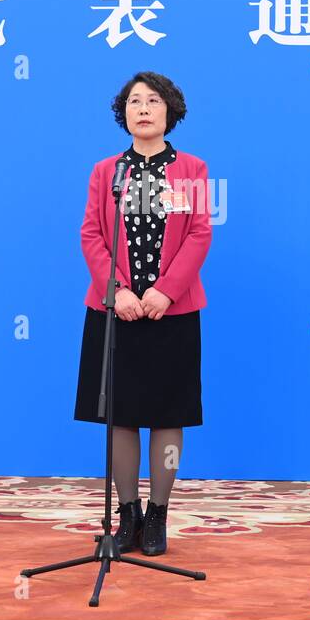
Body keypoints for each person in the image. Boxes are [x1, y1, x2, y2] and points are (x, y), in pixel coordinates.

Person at [74, 71, 212, 557]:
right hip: (118, 311)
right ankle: (127, 514)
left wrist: (166, 293)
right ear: (124, 113)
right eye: (135, 101)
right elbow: (92, 235)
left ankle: (158, 516)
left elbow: (199, 235)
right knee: (121, 415)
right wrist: (120, 292)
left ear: (170, 111)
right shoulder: (107, 172)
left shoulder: (192, 170)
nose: (144, 108)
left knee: (167, 413)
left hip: (170, 313)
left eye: (154, 100)